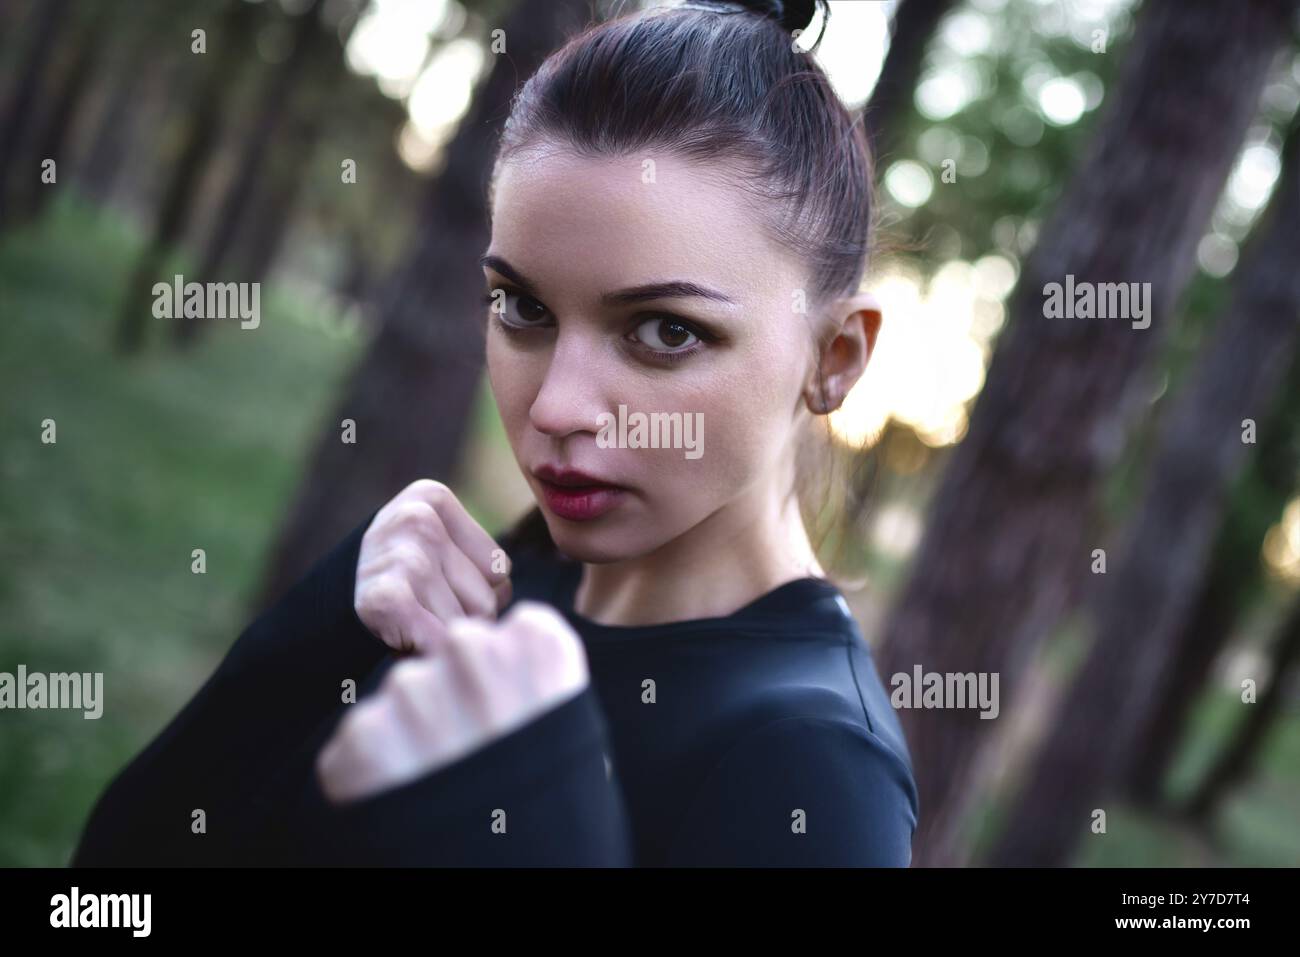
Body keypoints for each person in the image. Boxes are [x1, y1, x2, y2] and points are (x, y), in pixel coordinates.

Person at [72, 0, 918, 868]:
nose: (555, 406)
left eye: (666, 330)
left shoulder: (815, 772)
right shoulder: (487, 590)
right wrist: (314, 633)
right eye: (524, 308)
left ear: (835, 357)